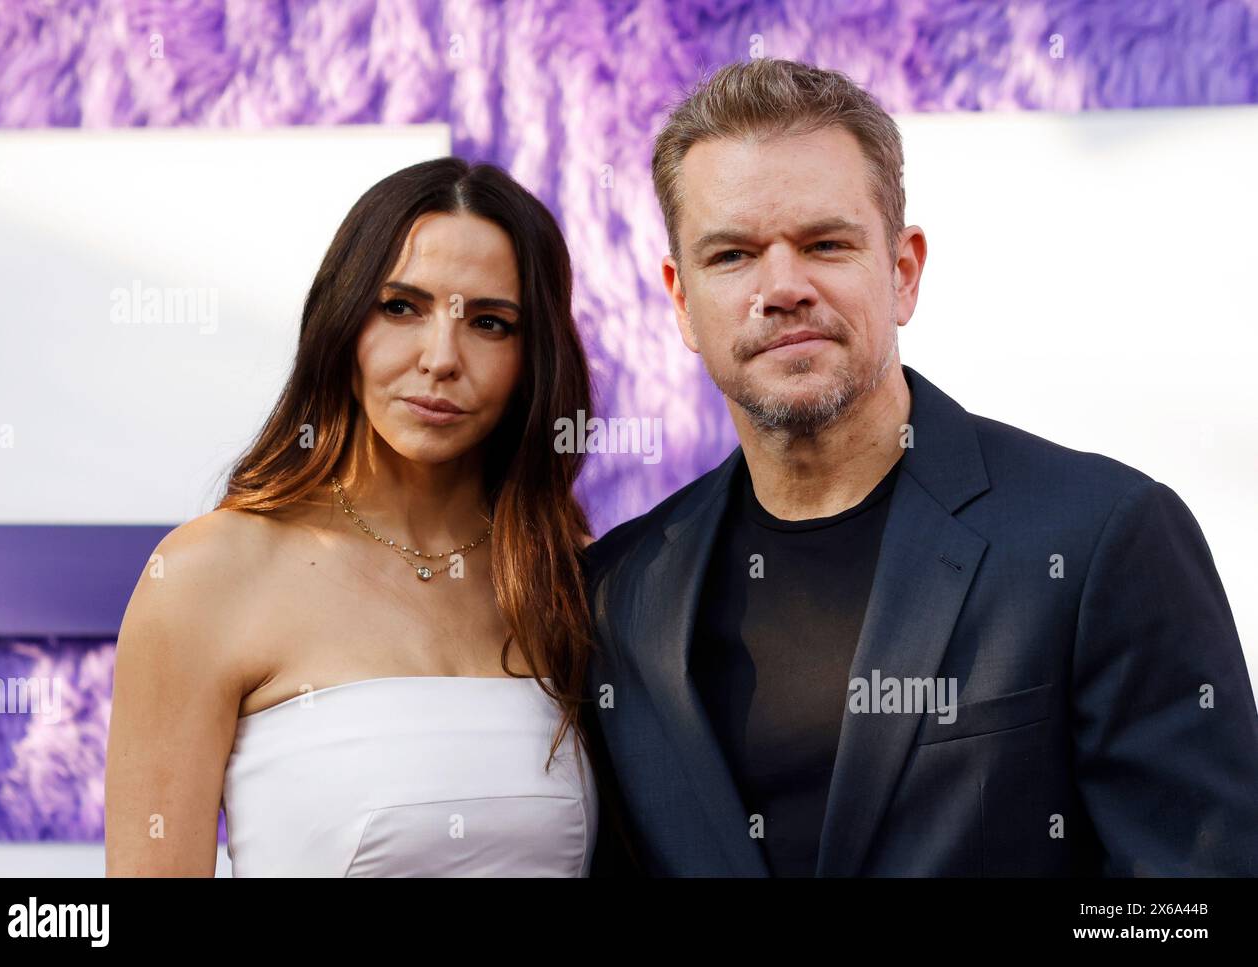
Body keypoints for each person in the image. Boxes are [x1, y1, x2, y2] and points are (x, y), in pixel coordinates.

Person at [584, 58, 1258, 876]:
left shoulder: (1102, 538)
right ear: (682, 301)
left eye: (825, 243)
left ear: (902, 273)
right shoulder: (617, 592)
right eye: (732, 255)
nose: (783, 286)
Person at [105, 157, 611, 876]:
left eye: (491, 323)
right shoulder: (206, 576)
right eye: (401, 306)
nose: (441, 357)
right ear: (341, 322)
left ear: (534, 362)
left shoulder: (569, 575)